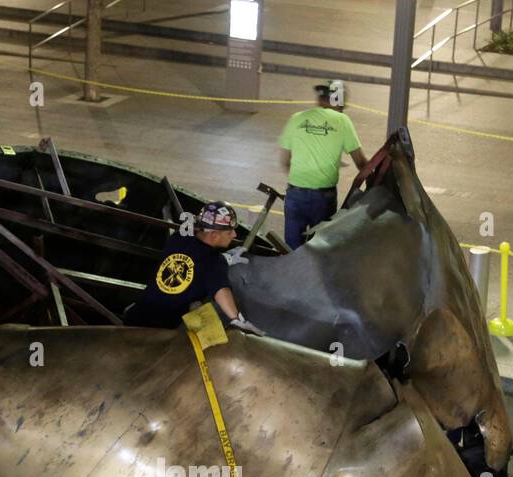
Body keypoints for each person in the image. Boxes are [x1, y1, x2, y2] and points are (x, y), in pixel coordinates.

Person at [123, 201, 263, 334]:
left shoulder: (178, 239)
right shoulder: (214, 262)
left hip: (135, 315)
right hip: (159, 329)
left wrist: (227, 258)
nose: (234, 235)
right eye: (229, 232)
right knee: (198, 309)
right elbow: (222, 291)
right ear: (213, 235)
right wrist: (237, 320)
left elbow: (197, 255)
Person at [278, 79, 369, 249]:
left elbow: (285, 162)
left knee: (291, 250)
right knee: (318, 249)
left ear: (320, 100)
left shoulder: (296, 118)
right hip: (323, 198)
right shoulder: (342, 121)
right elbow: (361, 162)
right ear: (339, 103)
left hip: (295, 194)